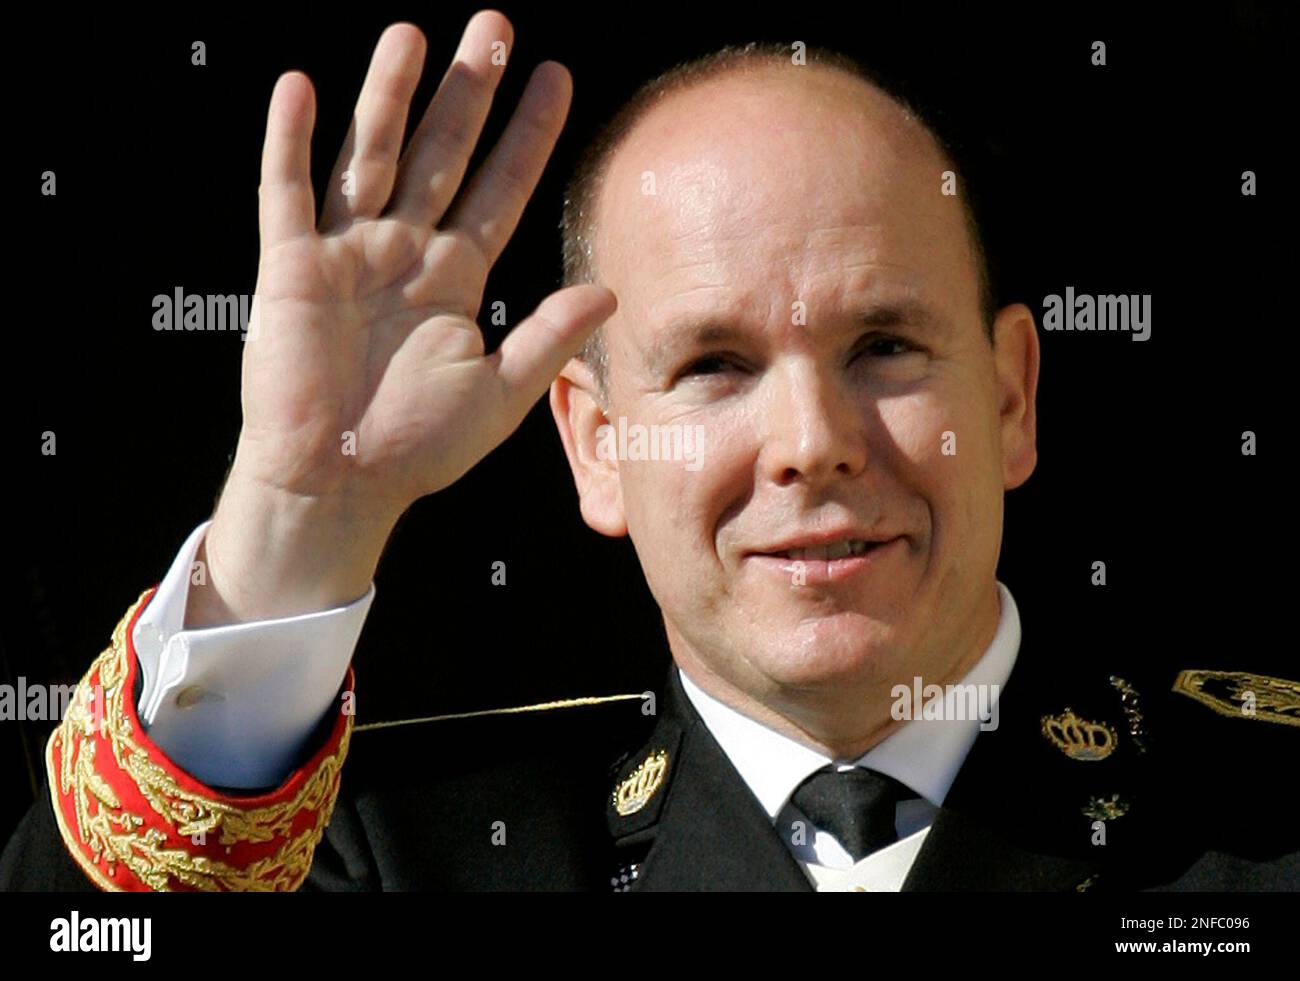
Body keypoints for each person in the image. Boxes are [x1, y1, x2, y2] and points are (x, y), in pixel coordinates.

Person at [3, 10, 1297, 892]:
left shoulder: (1262, 819)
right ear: (596, 444)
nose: (811, 444)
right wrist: (297, 517)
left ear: (1012, 396)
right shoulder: (415, 856)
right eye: (716, 366)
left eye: (886, 346)